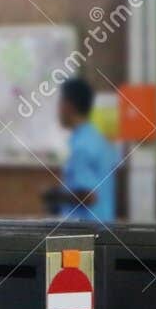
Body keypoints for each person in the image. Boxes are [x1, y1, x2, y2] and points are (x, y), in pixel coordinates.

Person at [48, 77, 118, 222]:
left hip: (87, 231)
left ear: (69, 106)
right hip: (103, 226)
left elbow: (89, 195)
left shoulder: (82, 146)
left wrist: (55, 196)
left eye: (60, 103)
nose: (57, 110)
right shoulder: (97, 139)